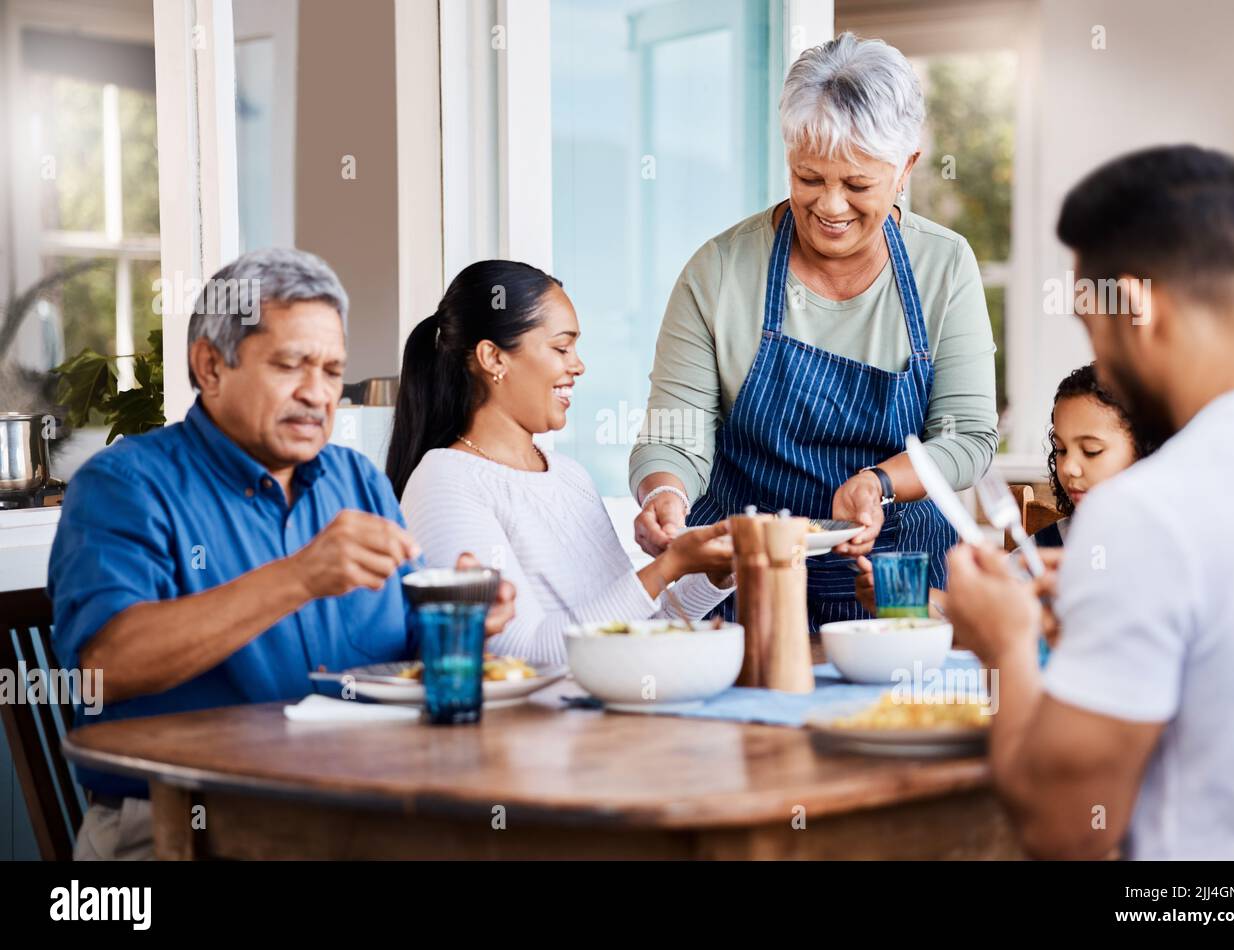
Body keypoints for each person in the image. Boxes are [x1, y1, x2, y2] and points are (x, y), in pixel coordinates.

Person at [47, 248, 515, 860]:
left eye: (331, 370)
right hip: (183, 827)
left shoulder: (358, 481)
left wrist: (459, 618)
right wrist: (299, 577)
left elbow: (403, 655)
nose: (318, 394)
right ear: (210, 366)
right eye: (292, 365)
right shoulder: (125, 486)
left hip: (360, 808)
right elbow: (103, 668)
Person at [945, 144, 1234, 859]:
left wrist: (1007, 642)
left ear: (1133, 305)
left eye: (1092, 328)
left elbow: (1061, 824)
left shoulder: (1151, 511)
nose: (1101, 361)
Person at [629, 33, 998, 628]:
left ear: (906, 167)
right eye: (808, 177)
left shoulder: (945, 265)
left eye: (857, 185)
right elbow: (676, 433)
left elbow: (970, 437)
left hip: (900, 590)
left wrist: (879, 483)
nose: (830, 206)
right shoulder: (720, 271)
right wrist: (663, 495)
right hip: (744, 591)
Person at [389, 261, 734, 667]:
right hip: (532, 728)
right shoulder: (445, 480)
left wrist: (716, 571)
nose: (578, 365)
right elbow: (523, 653)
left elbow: (642, 629)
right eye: (561, 347)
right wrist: (668, 566)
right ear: (493, 358)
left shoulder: (569, 476)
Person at [1036, 362, 1155, 547]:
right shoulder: (1044, 548)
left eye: (1091, 451)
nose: (1068, 467)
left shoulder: (1177, 550)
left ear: (1144, 451)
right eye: (1061, 450)